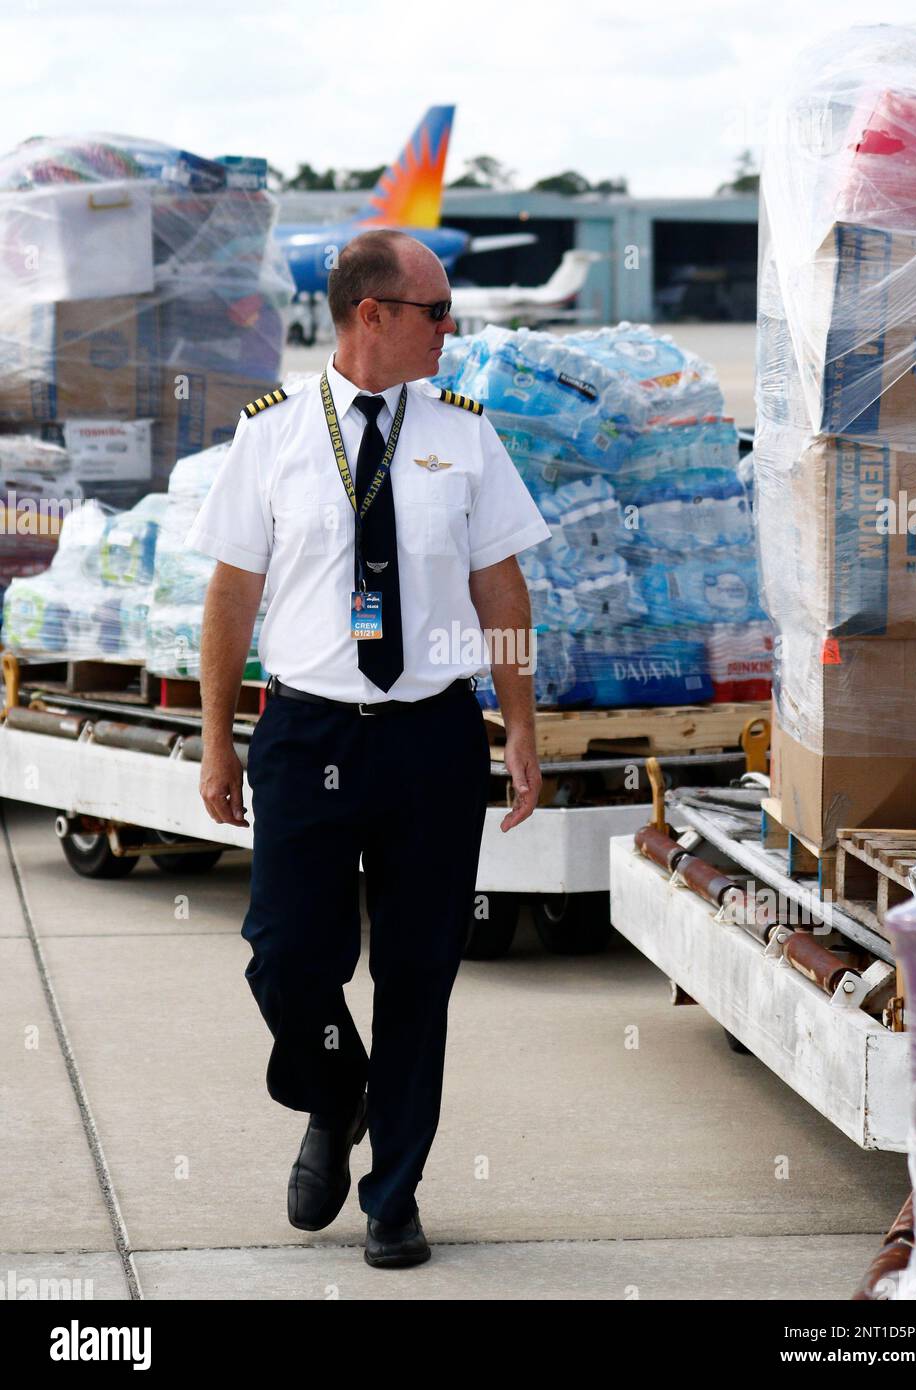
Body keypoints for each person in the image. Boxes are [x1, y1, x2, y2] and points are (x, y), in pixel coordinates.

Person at [184, 229, 552, 1270]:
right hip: (306, 732)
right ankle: (332, 1089)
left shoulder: (465, 436)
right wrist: (217, 740)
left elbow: (500, 587)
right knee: (286, 955)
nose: (450, 327)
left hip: (431, 737)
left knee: (417, 972)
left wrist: (520, 719)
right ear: (371, 316)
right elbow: (231, 596)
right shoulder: (272, 435)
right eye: (435, 310)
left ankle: (393, 1195)